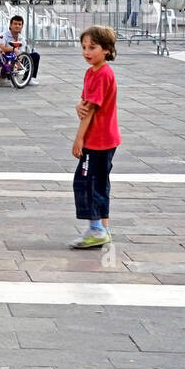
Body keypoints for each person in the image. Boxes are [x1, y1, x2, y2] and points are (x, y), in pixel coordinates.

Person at [70, 26, 121, 250]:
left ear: (107, 50)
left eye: (92, 47)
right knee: (99, 183)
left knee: (86, 182)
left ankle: (97, 229)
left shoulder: (102, 74)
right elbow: (85, 103)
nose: (87, 52)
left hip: (97, 141)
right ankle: (104, 229)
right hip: (103, 139)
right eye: (84, 47)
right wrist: (78, 105)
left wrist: (78, 139)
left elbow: (89, 111)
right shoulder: (92, 72)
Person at [0, 14, 40, 83]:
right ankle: (4, 75)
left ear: (22, 26)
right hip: (4, 59)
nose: (17, 26)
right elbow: (2, 48)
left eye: (19, 24)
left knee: (35, 55)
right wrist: (13, 49)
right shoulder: (3, 35)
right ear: (10, 25)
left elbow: (21, 53)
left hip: (17, 59)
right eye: (15, 24)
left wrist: (18, 62)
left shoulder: (22, 38)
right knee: (10, 54)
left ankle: (28, 79)